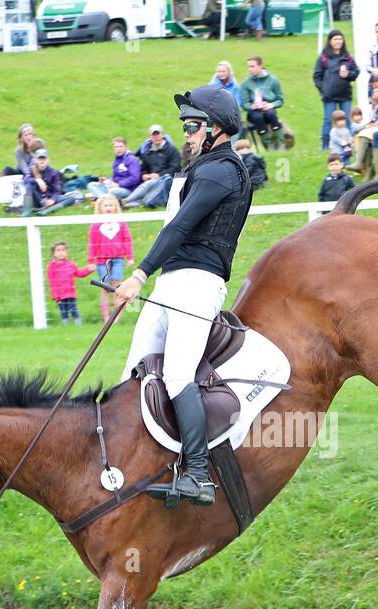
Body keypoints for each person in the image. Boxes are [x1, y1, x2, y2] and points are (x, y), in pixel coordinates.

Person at [112, 85, 254, 506]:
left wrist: (137, 274)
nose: (187, 135)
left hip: (196, 284)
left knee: (177, 376)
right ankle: (131, 461)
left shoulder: (221, 170)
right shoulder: (204, 167)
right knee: (133, 372)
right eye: (186, 127)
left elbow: (178, 228)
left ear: (216, 129)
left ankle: (197, 475)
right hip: (172, 282)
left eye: (192, 127)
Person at [87, 194, 135, 321]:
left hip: (118, 260)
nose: (108, 207)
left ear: (115, 207)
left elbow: (127, 240)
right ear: (100, 207)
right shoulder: (96, 225)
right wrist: (91, 261)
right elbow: (92, 244)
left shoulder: (121, 224)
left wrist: (129, 257)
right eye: (105, 205)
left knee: (117, 286)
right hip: (102, 261)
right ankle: (106, 316)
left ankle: (116, 315)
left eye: (110, 205)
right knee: (105, 287)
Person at [313, 29, 359, 151]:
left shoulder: (348, 57)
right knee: (328, 120)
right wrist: (324, 89)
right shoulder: (323, 57)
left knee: (347, 120)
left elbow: (356, 72)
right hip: (329, 95)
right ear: (330, 41)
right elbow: (316, 76)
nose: (338, 41)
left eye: (340, 39)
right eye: (335, 39)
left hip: (345, 94)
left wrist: (348, 74)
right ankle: (325, 146)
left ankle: (350, 145)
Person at [125, 125, 181, 209]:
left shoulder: (171, 150)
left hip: (168, 180)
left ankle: (126, 201)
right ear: (150, 137)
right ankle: (128, 203)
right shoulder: (147, 152)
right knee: (148, 189)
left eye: (158, 134)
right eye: (153, 135)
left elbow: (175, 168)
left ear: (162, 135)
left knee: (150, 184)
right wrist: (144, 175)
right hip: (152, 180)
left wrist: (159, 175)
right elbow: (144, 168)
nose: (156, 137)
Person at [241, 55, 286, 149]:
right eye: (248, 67)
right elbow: (244, 104)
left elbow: (280, 100)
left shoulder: (273, 80)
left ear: (260, 66)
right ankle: (268, 146)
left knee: (271, 114)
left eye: (252, 66)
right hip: (254, 112)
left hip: (268, 108)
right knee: (258, 117)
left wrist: (271, 105)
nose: (250, 69)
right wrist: (252, 106)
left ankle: (281, 144)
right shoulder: (246, 83)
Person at [47, 241, 94, 325]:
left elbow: (79, 274)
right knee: (63, 311)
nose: (61, 252)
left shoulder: (70, 264)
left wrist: (88, 270)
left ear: (67, 252)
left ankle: (78, 324)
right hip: (59, 296)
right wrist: (55, 295)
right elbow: (51, 282)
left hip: (70, 294)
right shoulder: (52, 266)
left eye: (63, 250)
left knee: (73, 309)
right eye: (58, 250)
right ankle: (65, 325)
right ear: (54, 253)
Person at [88, 137, 142, 201]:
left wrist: (119, 184)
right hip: (115, 186)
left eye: (121, 146)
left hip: (128, 189)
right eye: (116, 147)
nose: (118, 149)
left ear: (125, 147)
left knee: (112, 192)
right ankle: (106, 199)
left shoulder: (132, 159)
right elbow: (115, 176)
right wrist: (106, 181)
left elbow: (135, 178)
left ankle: (104, 200)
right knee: (91, 185)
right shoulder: (116, 160)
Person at [22, 147, 70, 215]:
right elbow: (25, 180)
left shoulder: (54, 172)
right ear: (35, 160)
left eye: (44, 159)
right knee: (28, 185)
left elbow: (57, 191)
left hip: (48, 199)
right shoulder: (31, 170)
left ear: (48, 160)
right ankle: (26, 213)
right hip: (37, 199)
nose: (42, 161)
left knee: (71, 198)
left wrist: (52, 199)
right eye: (39, 159)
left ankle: (46, 211)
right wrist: (38, 180)